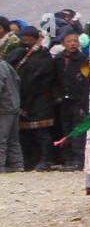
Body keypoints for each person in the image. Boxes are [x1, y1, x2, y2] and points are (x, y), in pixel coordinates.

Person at [9, 25, 57, 171]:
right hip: (23, 98)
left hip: (40, 99)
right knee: (25, 134)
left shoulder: (43, 55)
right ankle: (29, 160)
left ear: (36, 40)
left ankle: (45, 159)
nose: (27, 42)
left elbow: (43, 76)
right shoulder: (19, 53)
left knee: (42, 133)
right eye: (24, 39)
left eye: (30, 39)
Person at [54, 30, 90, 171]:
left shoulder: (83, 60)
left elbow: (86, 81)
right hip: (64, 100)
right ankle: (67, 158)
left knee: (78, 129)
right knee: (66, 127)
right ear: (63, 43)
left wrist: (83, 101)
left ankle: (78, 159)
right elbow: (55, 79)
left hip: (77, 99)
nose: (72, 44)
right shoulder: (58, 60)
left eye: (75, 41)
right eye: (69, 41)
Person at [0, 53, 21, 172]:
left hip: (4, 107)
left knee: (1, 139)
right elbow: (18, 80)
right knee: (13, 139)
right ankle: (17, 165)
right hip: (14, 104)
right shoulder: (6, 65)